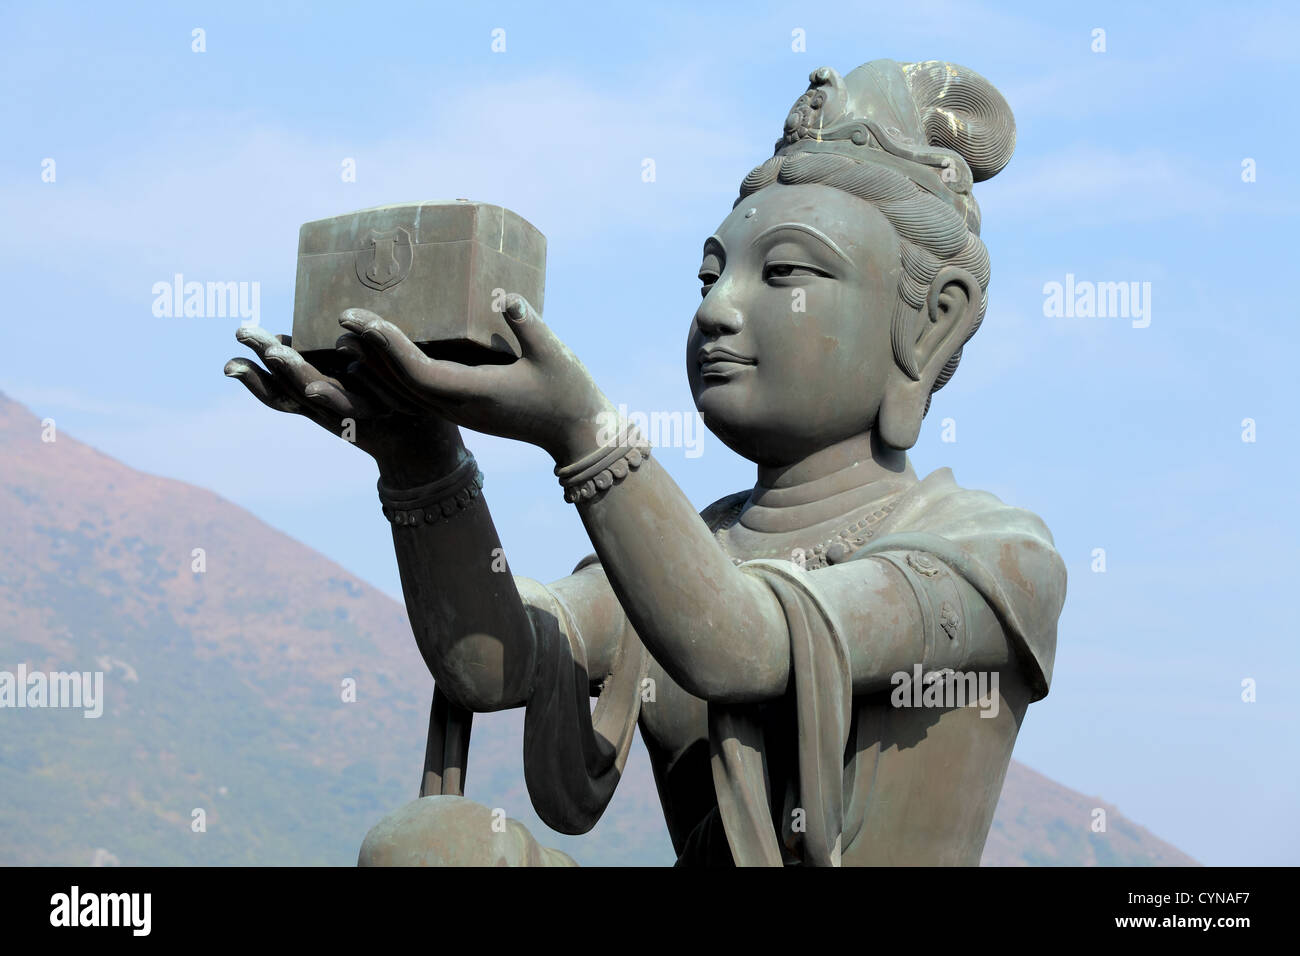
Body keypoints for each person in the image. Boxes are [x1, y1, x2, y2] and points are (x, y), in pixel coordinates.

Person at [225, 59, 1066, 867]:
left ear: (930, 326)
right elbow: (490, 663)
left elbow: (742, 643)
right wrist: (417, 453)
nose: (718, 309)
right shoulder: (685, 551)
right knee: (429, 847)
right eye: (710, 274)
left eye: (784, 273)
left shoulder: (993, 555)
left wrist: (582, 433)